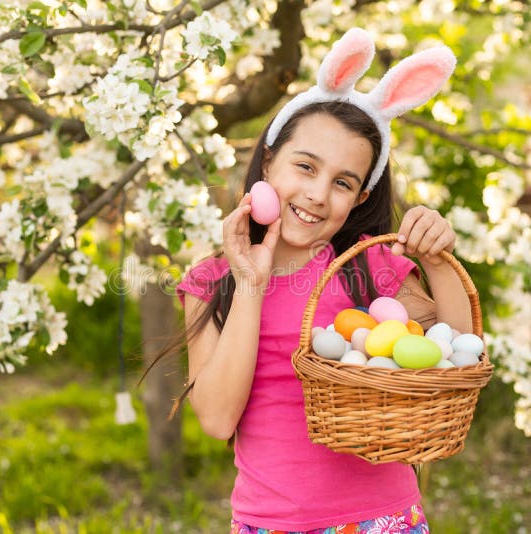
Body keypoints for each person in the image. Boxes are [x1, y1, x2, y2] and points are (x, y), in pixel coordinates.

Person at [174, 28, 472, 532]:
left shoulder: (370, 271)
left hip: (385, 520)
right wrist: (250, 285)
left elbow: (457, 358)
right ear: (268, 159)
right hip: (270, 523)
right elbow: (218, 419)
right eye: (305, 166)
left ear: (360, 198)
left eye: (342, 182)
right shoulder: (210, 279)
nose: (317, 193)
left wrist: (439, 262)